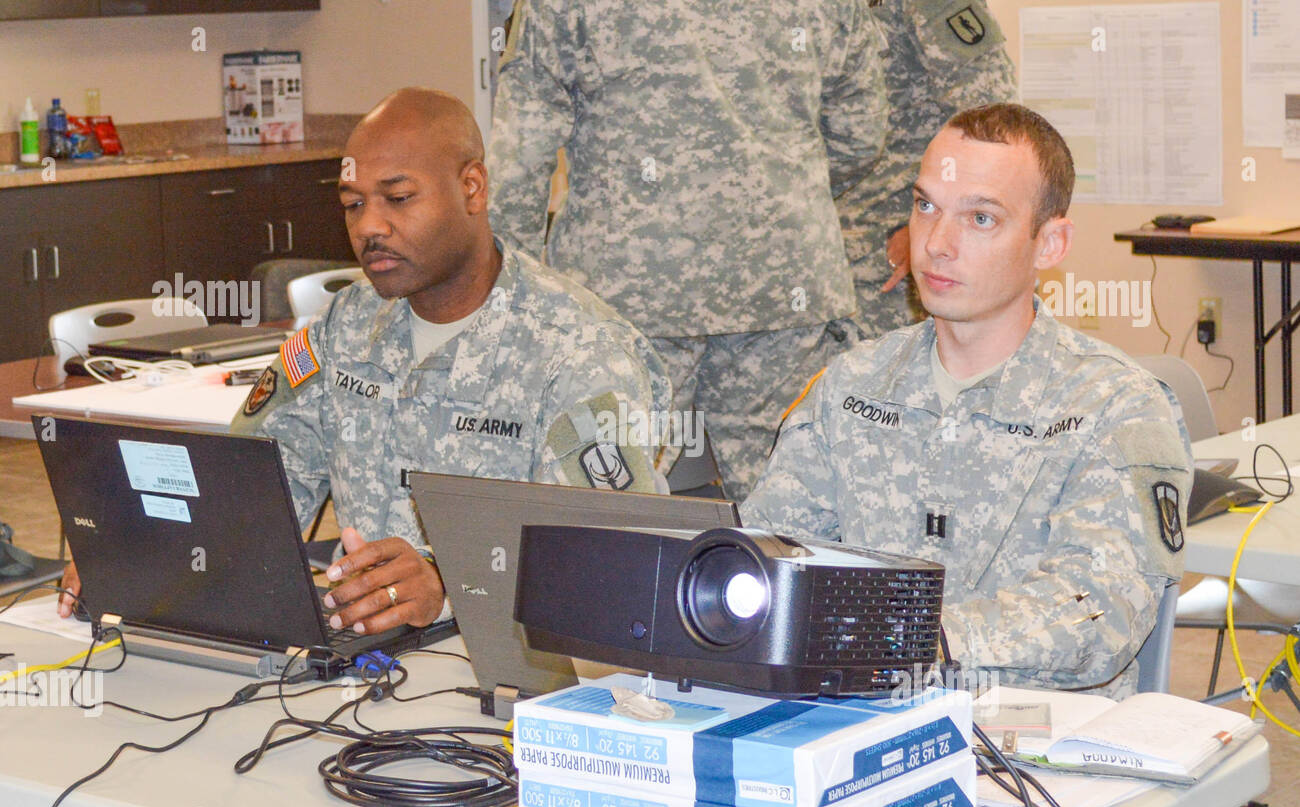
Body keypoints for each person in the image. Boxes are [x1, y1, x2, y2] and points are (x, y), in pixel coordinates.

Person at [59, 88, 671, 637]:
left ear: (473, 188)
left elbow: (615, 563)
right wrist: (138, 549)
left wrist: (449, 584)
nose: (370, 227)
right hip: (357, 666)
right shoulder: (342, 327)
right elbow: (251, 481)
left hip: (504, 679)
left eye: (398, 198)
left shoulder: (581, 351)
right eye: (352, 205)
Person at [741, 104, 1193, 699]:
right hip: (847, 721)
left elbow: (1101, 613)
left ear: (1049, 243)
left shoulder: (1115, 407)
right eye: (926, 206)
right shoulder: (852, 387)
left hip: (1029, 749)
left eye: (981, 218)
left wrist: (920, 637)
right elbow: (772, 555)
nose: (937, 243)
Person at [486, 0, 890, 499]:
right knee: (790, 505)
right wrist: (775, 200)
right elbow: (860, 134)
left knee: (604, 501)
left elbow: (520, 157)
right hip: (781, 287)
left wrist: (515, 301)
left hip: (627, 291)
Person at [837, 0, 1017, 338]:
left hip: (895, 259)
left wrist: (927, 226)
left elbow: (994, 123)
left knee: (905, 385)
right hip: (837, 254)